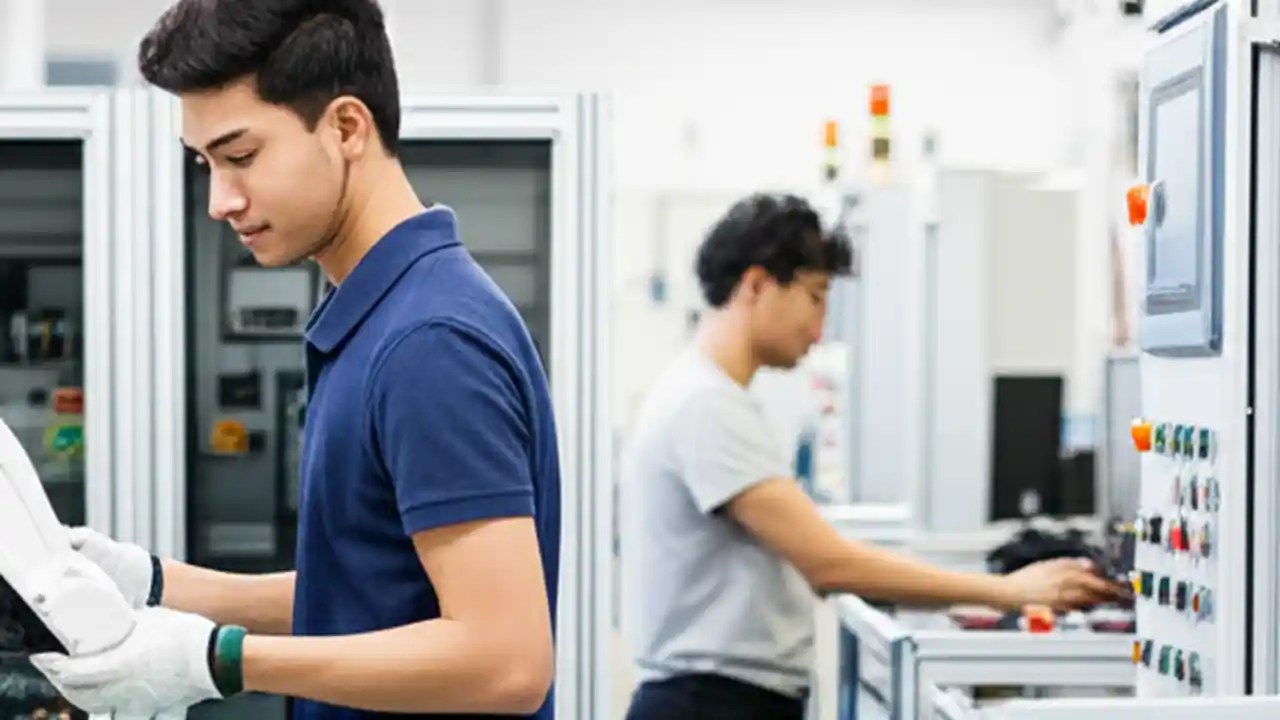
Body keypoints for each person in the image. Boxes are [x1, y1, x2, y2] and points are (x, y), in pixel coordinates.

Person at [31, 1, 560, 719]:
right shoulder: (382, 315)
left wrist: (222, 661)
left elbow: (506, 660)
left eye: (241, 156)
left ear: (346, 127)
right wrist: (150, 585)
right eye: (206, 164)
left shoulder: (428, 340)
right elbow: (364, 593)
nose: (220, 199)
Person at [619, 193, 1126, 720]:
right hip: (708, 706)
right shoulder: (706, 406)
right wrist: (1007, 592)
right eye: (816, 297)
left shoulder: (711, 397)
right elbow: (827, 563)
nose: (819, 329)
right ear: (756, 285)